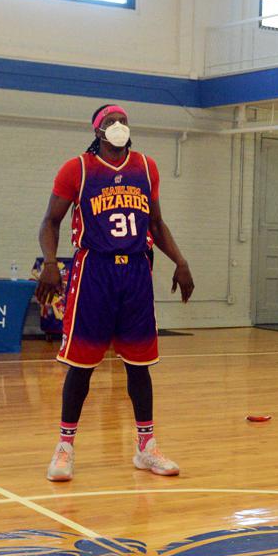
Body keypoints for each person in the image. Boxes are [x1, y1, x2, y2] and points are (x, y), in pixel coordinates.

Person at [35, 104, 194, 481]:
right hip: (95, 269)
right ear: (97, 131)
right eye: (110, 122)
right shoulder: (77, 168)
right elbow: (50, 221)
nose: (119, 126)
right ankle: (64, 448)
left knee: (139, 365)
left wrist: (180, 260)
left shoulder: (146, 167)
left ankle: (146, 448)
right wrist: (51, 263)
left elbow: (156, 221)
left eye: (123, 121)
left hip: (137, 269)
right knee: (82, 365)